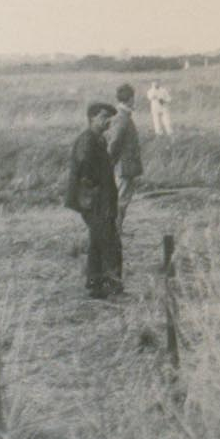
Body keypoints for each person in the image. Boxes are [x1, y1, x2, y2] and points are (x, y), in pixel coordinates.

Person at [64, 102, 123, 298]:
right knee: (109, 241)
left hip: (98, 200)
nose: (107, 121)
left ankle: (95, 285)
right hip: (94, 201)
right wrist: (97, 193)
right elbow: (86, 170)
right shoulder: (87, 140)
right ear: (92, 118)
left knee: (98, 241)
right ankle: (112, 286)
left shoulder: (98, 140)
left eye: (109, 117)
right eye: (103, 116)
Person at [108, 83, 143, 229]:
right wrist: (111, 162)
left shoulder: (124, 116)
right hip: (124, 166)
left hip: (126, 165)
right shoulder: (122, 117)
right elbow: (114, 143)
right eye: (133, 98)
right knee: (121, 199)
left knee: (123, 198)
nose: (134, 101)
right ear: (129, 99)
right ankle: (114, 231)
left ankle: (117, 230)